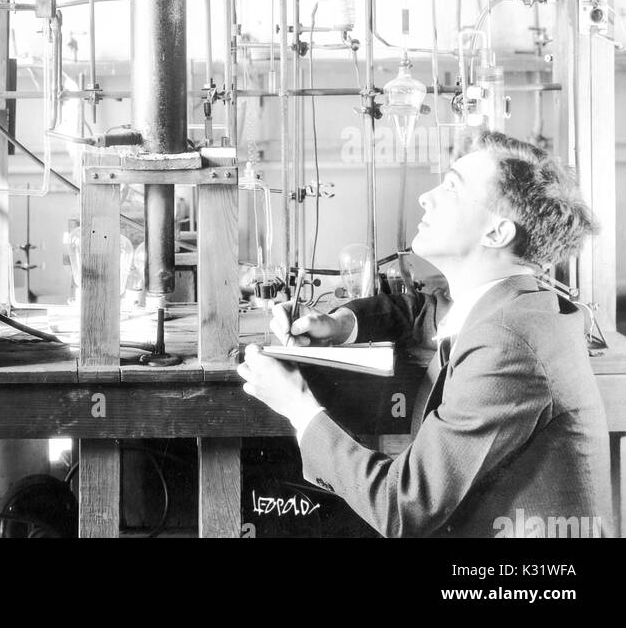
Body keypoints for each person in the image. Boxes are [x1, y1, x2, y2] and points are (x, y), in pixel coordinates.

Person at [238, 130, 614, 538]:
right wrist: (342, 324)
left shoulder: (509, 345)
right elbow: (422, 310)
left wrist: (296, 405)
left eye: (452, 186)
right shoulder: (508, 304)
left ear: (496, 234)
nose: (426, 196)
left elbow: (403, 508)